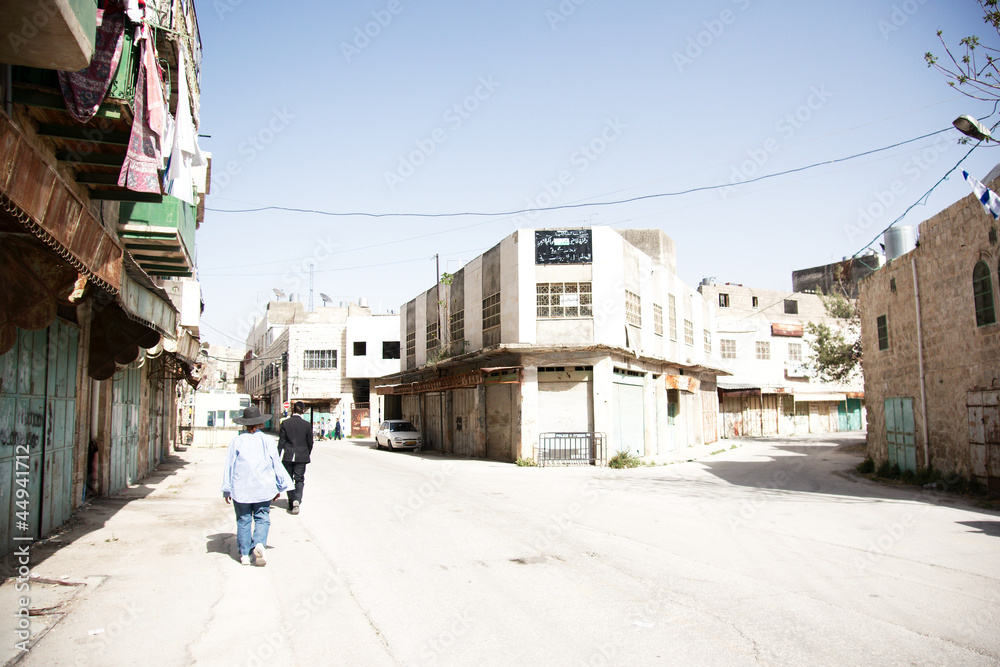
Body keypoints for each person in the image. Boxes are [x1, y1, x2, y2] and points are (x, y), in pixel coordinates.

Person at [221, 406, 293, 566]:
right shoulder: (266, 440)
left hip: (241, 488)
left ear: (244, 423)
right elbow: (276, 464)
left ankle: (245, 555)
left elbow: (229, 466)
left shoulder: (237, 441)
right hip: (263, 487)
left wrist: (227, 489)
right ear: (260, 423)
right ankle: (259, 543)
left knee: (243, 519)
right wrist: (279, 486)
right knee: (262, 517)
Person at [278, 401, 313, 515]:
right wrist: (307, 453)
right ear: (302, 411)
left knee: (288, 479)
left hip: (288, 456)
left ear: (292, 410)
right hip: (301, 456)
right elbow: (310, 442)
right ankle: (297, 499)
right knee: (299, 479)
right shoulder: (307, 425)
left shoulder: (285, 423)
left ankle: (291, 501)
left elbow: (281, 442)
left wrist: (277, 456)